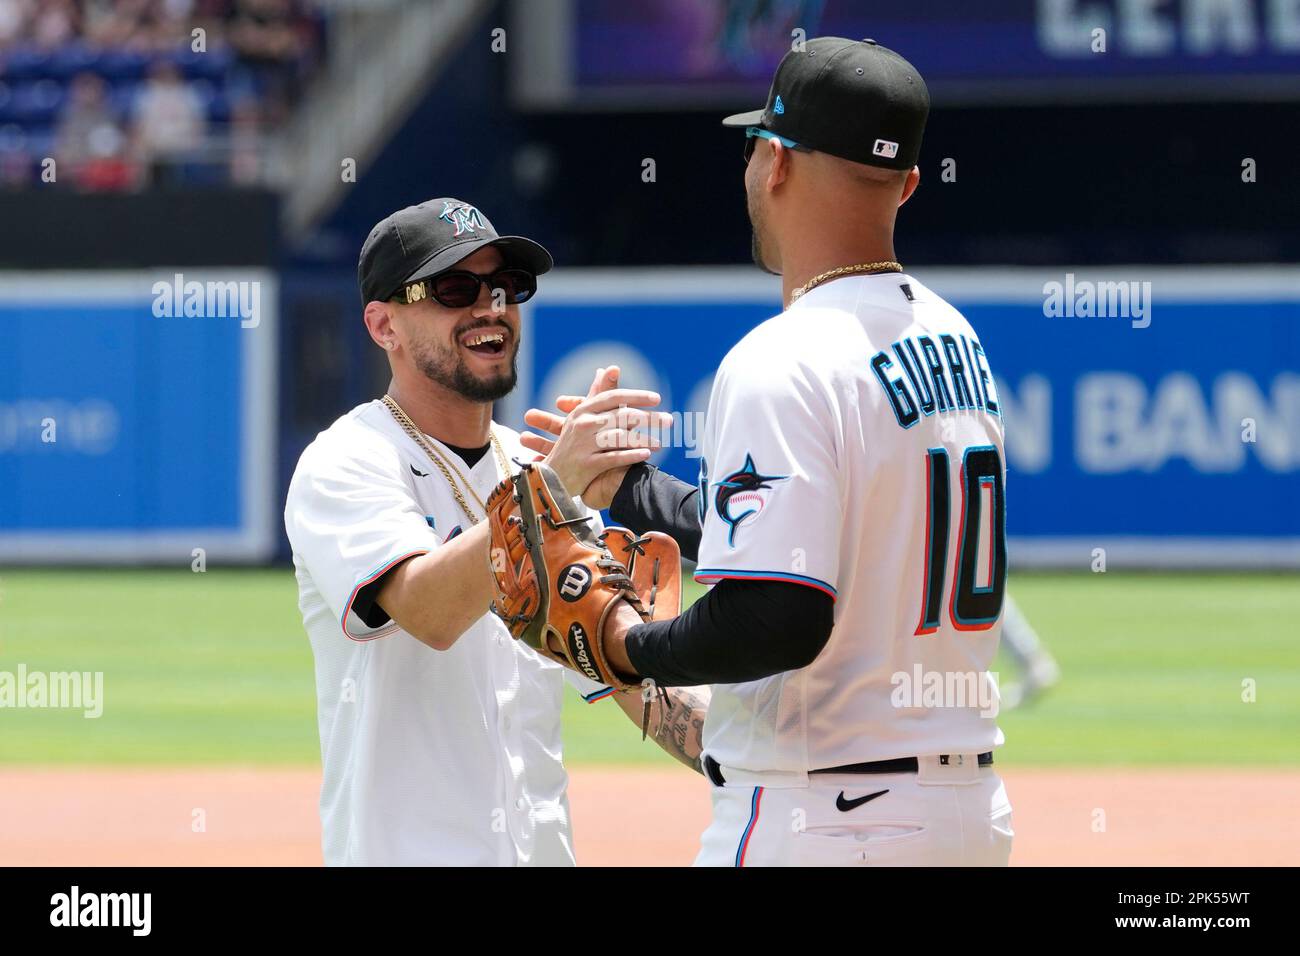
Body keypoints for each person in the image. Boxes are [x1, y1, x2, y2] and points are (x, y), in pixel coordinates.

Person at [525, 38, 1014, 866]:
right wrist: (633, 493)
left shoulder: (781, 355)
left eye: (755, 147)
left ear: (777, 163)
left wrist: (620, 642)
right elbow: (827, 539)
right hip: (965, 810)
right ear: (907, 184)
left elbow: (776, 619)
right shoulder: (954, 336)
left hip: (829, 813)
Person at [284, 198, 706, 866]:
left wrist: (767, 770)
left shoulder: (536, 470)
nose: (491, 307)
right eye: (454, 288)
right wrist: (551, 491)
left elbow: (628, 676)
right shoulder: (347, 460)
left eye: (506, 288)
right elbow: (428, 612)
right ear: (382, 324)